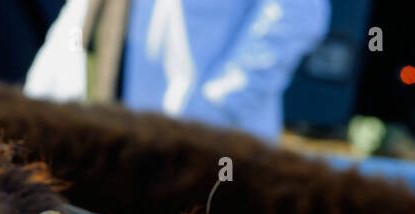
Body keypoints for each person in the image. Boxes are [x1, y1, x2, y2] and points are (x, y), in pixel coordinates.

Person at [25, 0, 332, 141]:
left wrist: (216, 108)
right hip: (101, 133)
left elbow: (298, 11)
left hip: (204, 150)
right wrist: (40, 99)